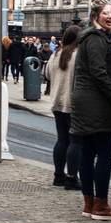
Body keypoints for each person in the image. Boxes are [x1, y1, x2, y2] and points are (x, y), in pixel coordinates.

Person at [70, 0, 111, 220]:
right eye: (106, 13)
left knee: (88, 152)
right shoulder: (95, 38)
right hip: (95, 102)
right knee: (105, 152)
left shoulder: (93, 37)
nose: (110, 16)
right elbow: (98, 71)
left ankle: (90, 204)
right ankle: (100, 206)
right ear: (96, 16)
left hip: (88, 100)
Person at [46, 25, 82, 190]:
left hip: (57, 103)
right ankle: (71, 177)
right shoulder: (78, 56)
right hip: (73, 104)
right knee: (75, 142)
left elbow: (46, 75)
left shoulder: (55, 54)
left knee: (62, 140)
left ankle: (58, 175)